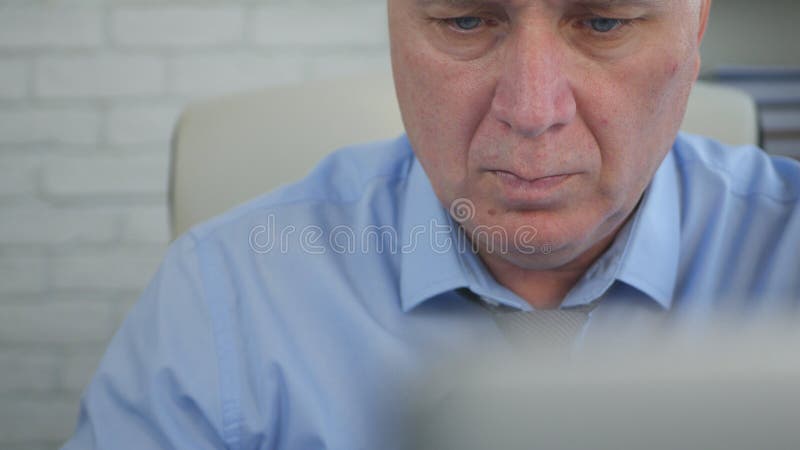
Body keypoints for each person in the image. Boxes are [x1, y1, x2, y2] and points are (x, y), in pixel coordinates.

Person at [62, 0, 800, 448]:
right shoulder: (223, 297)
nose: (533, 110)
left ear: (694, 25)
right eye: (466, 20)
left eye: (604, 20)